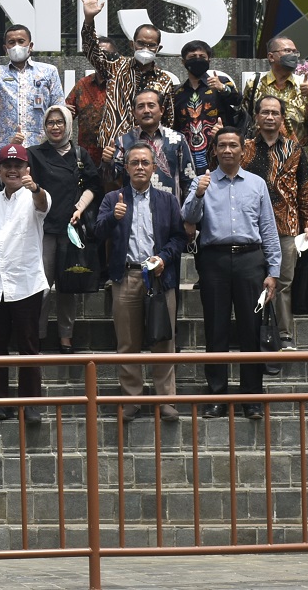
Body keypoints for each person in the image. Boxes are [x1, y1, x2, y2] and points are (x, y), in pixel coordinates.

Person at [181, 128, 283, 421]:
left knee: (251, 328)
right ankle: (217, 396)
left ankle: (252, 398)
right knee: (216, 329)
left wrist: (273, 271)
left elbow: (268, 229)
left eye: (233, 145)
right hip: (214, 260)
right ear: (214, 150)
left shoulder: (257, 183)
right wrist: (199, 193)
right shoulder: (202, 181)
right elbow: (188, 218)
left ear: (242, 150)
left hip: (251, 260)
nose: (227, 150)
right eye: (222, 145)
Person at [94, 141, 188, 424]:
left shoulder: (167, 200)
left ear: (154, 167)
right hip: (126, 277)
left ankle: (166, 400)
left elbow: (179, 238)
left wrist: (163, 258)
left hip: (159, 277)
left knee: (164, 341)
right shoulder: (114, 198)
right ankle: (132, 399)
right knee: (127, 343)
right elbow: (97, 233)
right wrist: (113, 218)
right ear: (126, 167)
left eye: (145, 162)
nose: (139, 167)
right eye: (134, 162)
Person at [0, 143, 49, 425]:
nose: (12, 170)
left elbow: (43, 204)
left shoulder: (36, 196)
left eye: (18, 166)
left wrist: (35, 189)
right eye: (7, 166)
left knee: (28, 345)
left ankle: (30, 404)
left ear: (27, 169)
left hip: (25, 282)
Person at [241, 96, 308, 356]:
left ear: (282, 118)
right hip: (251, 227)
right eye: (265, 112)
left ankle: (283, 334)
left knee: (283, 282)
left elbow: (306, 187)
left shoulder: (294, 149)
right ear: (256, 117)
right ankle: (252, 332)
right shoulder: (245, 148)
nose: (270, 117)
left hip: (286, 225)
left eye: (275, 113)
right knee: (251, 282)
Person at [27, 105, 101, 353]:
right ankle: (37, 335)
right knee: (41, 286)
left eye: (60, 122)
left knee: (68, 286)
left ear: (69, 124)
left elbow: (93, 185)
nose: (55, 127)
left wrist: (80, 208)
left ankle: (65, 337)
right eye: (50, 122)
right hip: (43, 230)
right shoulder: (34, 154)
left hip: (71, 228)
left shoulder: (80, 154)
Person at [78, 0, 178, 161]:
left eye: (151, 45)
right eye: (141, 43)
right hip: (113, 149)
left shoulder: (164, 80)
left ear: (158, 48)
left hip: (149, 152)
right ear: (132, 44)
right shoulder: (115, 66)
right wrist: (89, 19)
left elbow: (168, 119)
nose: (145, 48)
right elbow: (92, 51)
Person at [0, 12, 64, 149]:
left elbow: (59, 109)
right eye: (11, 42)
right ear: (5, 48)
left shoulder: (48, 71)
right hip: (6, 148)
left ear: (30, 46)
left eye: (21, 41)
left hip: (41, 149)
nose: (16, 46)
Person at [240, 36, 308, 168]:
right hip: (261, 155)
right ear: (271, 57)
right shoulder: (255, 83)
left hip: (297, 158)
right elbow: (245, 116)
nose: (292, 55)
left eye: (295, 52)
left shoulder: (307, 85)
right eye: (287, 51)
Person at [107, 88, 191, 200]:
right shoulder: (123, 141)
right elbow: (112, 179)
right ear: (134, 112)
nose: (146, 111)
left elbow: (189, 180)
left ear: (161, 110)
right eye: (141, 106)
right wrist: (107, 162)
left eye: (151, 105)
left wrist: (187, 209)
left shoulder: (177, 140)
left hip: (169, 208)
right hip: (133, 207)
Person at [174, 40, 242, 176]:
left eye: (202, 57)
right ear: (183, 62)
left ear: (209, 60)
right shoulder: (177, 92)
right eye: (192, 57)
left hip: (219, 152)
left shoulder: (221, 82)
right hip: (186, 156)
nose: (197, 60)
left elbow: (237, 99)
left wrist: (222, 88)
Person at [65, 34, 116, 171]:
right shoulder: (83, 84)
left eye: (106, 54)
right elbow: (66, 114)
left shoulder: (123, 85)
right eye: (97, 54)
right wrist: (63, 111)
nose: (101, 58)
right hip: (86, 157)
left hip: (116, 155)